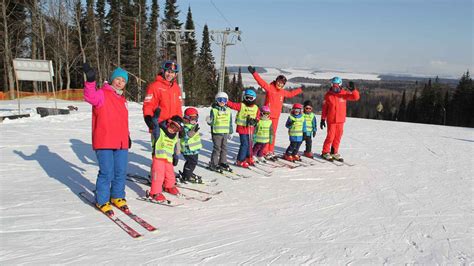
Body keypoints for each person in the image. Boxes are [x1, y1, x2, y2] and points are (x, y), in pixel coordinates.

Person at [83, 63, 131, 215]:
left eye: (123, 81)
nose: (120, 83)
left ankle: (117, 196)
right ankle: (102, 200)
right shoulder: (102, 94)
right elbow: (89, 96)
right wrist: (90, 80)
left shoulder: (122, 99)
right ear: (112, 80)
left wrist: (127, 136)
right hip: (104, 141)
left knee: (120, 171)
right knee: (107, 172)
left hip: (121, 142)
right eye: (117, 79)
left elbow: (122, 121)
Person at [248, 66, 303, 158]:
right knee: (265, 133)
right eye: (279, 82)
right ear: (276, 81)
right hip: (266, 116)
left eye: (282, 84)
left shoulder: (282, 92)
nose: (280, 84)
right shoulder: (270, 88)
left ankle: (270, 150)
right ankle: (264, 151)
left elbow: (290, 94)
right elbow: (261, 82)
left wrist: (300, 90)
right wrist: (254, 73)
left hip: (276, 116)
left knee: (272, 134)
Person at [142, 60, 183, 179]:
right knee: (158, 155)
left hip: (172, 127)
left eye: (173, 72)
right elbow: (148, 105)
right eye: (168, 72)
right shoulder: (155, 86)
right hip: (159, 125)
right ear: (163, 71)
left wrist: (180, 123)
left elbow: (178, 108)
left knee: (171, 155)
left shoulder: (176, 88)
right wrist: (148, 119)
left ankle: (167, 178)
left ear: (176, 74)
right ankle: (156, 178)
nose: (170, 75)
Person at [320, 77, 360, 161]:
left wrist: (353, 90)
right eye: (333, 85)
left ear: (340, 85)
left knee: (338, 137)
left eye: (337, 85)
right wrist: (323, 119)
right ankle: (325, 152)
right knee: (330, 137)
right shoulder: (328, 95)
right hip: (331, 120)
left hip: (340, 120)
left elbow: (355, 97)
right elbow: (325, 108)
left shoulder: (344, 94)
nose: (335, 87)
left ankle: (334, 152)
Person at [147, 115, 184, 202]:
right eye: (172, 126)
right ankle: (154, 192)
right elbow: (155, 127)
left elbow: (174, 147)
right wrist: (155, 119)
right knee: (158, 175)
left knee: (170, 174)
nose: (173, 130)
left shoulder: (174, 136)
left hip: (168, 159)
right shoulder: (160, 132)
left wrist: (175, 156)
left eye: (176, 129)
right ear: (169, 122)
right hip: (158, 158)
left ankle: (169, 186)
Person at [227, 89, 260, 168]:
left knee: (250, 144)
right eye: (247, 98)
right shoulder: (242, 105)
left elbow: (258, 116)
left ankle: (248, 157)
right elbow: (232, 105)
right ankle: (240, 160)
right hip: (242, 128)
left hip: (250, 129)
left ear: (254, 99)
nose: (248, 100)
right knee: (244, 144)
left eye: (250, 98)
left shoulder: (256, 107)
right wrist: (225, 100)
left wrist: (255, 121)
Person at [206, 92, 233, 172]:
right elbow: (212, 122)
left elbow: (230, 122)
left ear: (226, 101)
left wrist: (230, 132)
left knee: (224, 148)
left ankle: (223, 162)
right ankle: (213, 163)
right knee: (217, 148)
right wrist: (209, 121)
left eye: (224, 100)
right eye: (219, 99)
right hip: (216, 133)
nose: (222, 101)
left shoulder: (228, 110)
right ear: (216, 100)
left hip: (225, 133)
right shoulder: (214, 110)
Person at [179, 107, 202, 183]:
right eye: (192, 118)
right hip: (188, 149)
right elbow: (184, 137)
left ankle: (187, 173)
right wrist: (191, 133)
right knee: (192, 163)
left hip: (193, 149)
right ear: (187, 118)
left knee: (191, 162)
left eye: (195, 118)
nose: (194, 120)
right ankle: (187, 176)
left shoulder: (193, 125)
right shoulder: (184, 127)